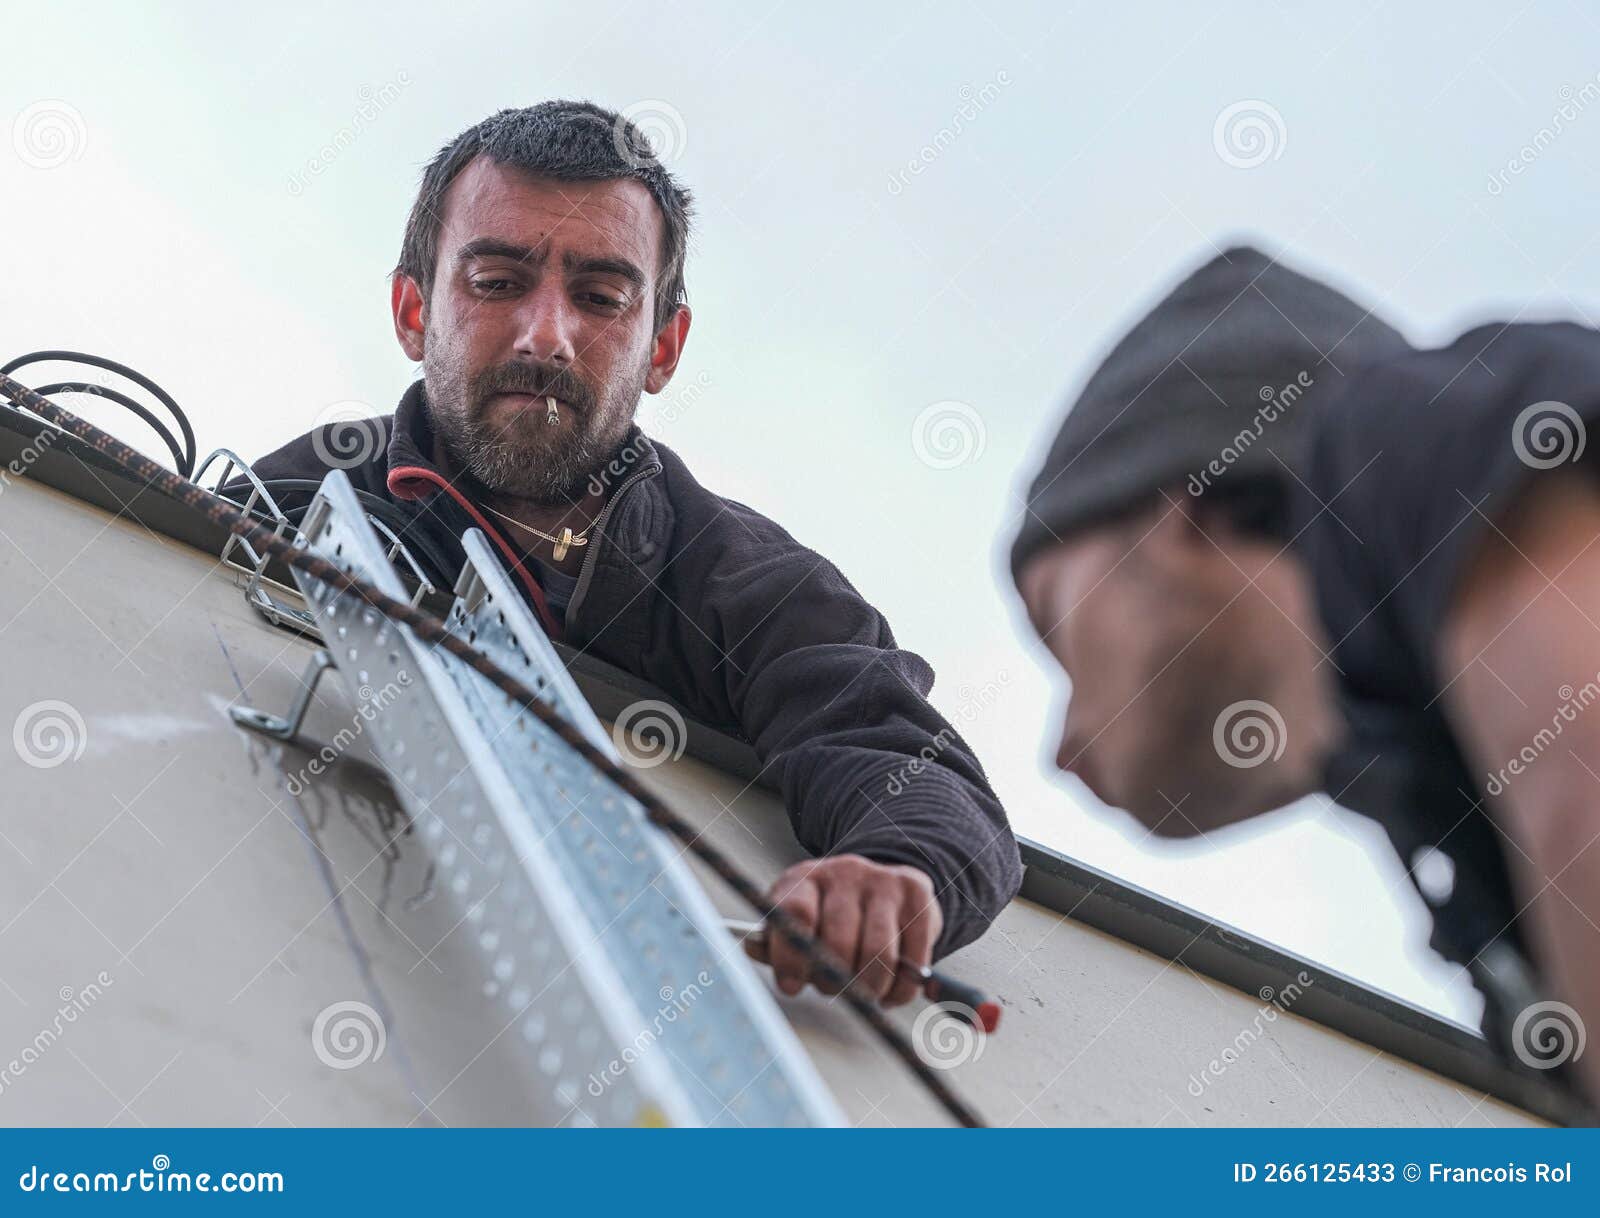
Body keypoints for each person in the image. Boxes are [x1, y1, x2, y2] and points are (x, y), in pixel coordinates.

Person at [232, 100, 1022, 1003]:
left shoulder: (754, 584)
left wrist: (895, 872)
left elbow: (894, 755)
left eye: (601, 298)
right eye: (496, 282)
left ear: (665, 347)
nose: (546, 335)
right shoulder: (300, 491)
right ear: (415, 311)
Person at [1009, 244, 1599, 1104]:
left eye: (1054, 624)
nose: (1063, 746)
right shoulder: (1455, 826)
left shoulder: (1413, 436)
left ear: (1186, 504)